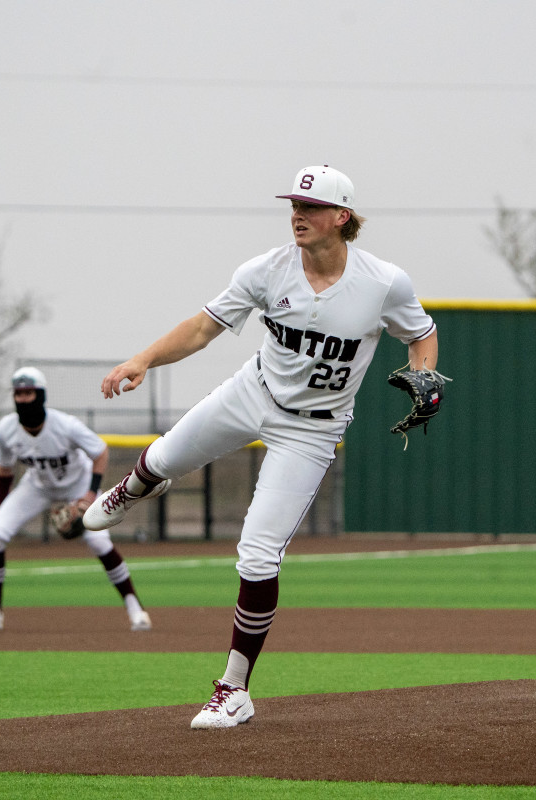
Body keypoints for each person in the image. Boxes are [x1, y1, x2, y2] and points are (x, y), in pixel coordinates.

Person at [84, 165, 439, 729]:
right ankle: (132, 489)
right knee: (165, 457)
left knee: (257, 554)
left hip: (313, 429)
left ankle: (234, 689)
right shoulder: (266, 270)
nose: (298, 214)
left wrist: (424, 376)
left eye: (311, 206)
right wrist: (142, 359)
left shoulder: (383, 283)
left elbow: (420, 334)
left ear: (341, 217)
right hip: (254, 392)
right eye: (294, 204)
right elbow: (202, 328)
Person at [0, 366, 152, 633]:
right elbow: (4, 469)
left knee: (99, 542)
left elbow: (100, 452)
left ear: (41, 395)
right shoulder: (7, 428)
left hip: (78, 484)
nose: (23, 398)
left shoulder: (65, 425)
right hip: (37, 486)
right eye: (18, 393)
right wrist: (2, 504)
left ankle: (136, 610)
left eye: (29, 392)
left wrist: (89, 494)